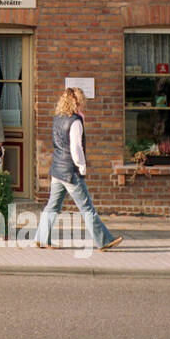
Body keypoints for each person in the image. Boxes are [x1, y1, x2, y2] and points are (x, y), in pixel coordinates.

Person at [34, 87, 123, 251]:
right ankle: (103, 241)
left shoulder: (58, 118)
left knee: (52, 206)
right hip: (70, 171)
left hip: (57, 169)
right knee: (87, 207)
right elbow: (75, 147)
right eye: (82, 101)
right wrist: (82, 167)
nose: (84, 104)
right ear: (77, 102)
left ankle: (41, 238)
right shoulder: (75, 121)